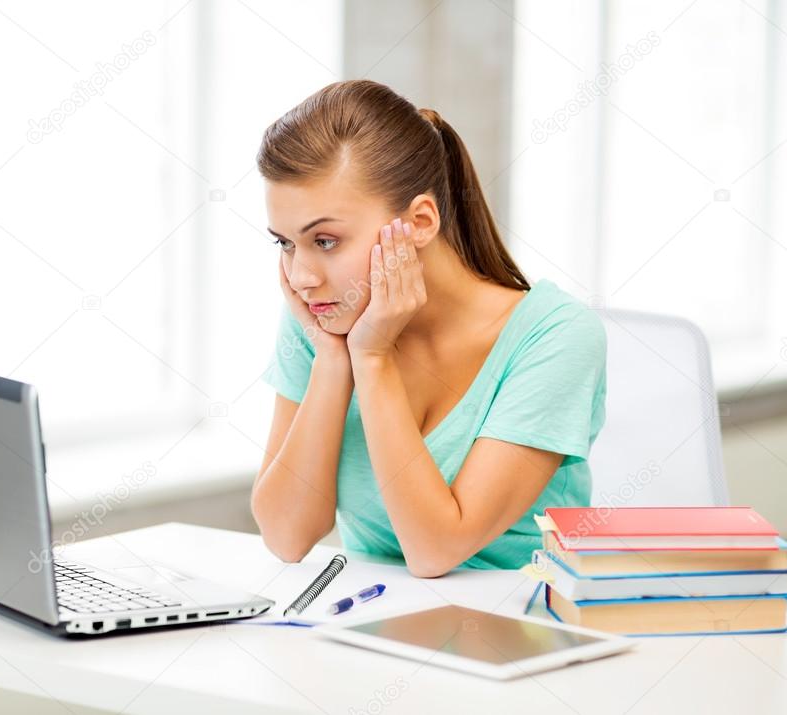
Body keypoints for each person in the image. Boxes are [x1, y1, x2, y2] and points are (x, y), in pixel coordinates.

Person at [251, 79, 606, 577]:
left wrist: (372, 359)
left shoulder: (556, 337)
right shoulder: (324, 318)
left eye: (325, 241)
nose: (302, 277)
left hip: (519, 613)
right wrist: (333, 360)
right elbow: (286, 537)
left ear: (419, 222)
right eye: (285, 244)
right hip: (377, 614)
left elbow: (435, 550)